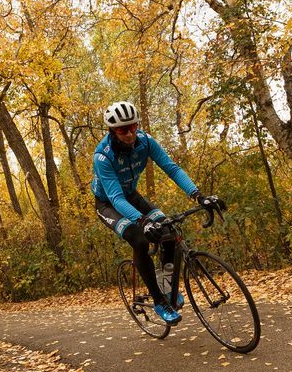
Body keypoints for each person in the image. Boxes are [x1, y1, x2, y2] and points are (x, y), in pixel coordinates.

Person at [92, 101, 224, 324]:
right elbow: (116, 198)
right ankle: (159, 302)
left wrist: (199, 195)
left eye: (133, 126)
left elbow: (171, 168)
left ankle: (166, 286)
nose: (130, 133)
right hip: (108, 204)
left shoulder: (145, 141)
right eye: (123, 130)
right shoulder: (103, 157)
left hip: (131, 196)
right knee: (140, 241)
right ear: (112, 131)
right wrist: (142, 222)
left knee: (168, 230)